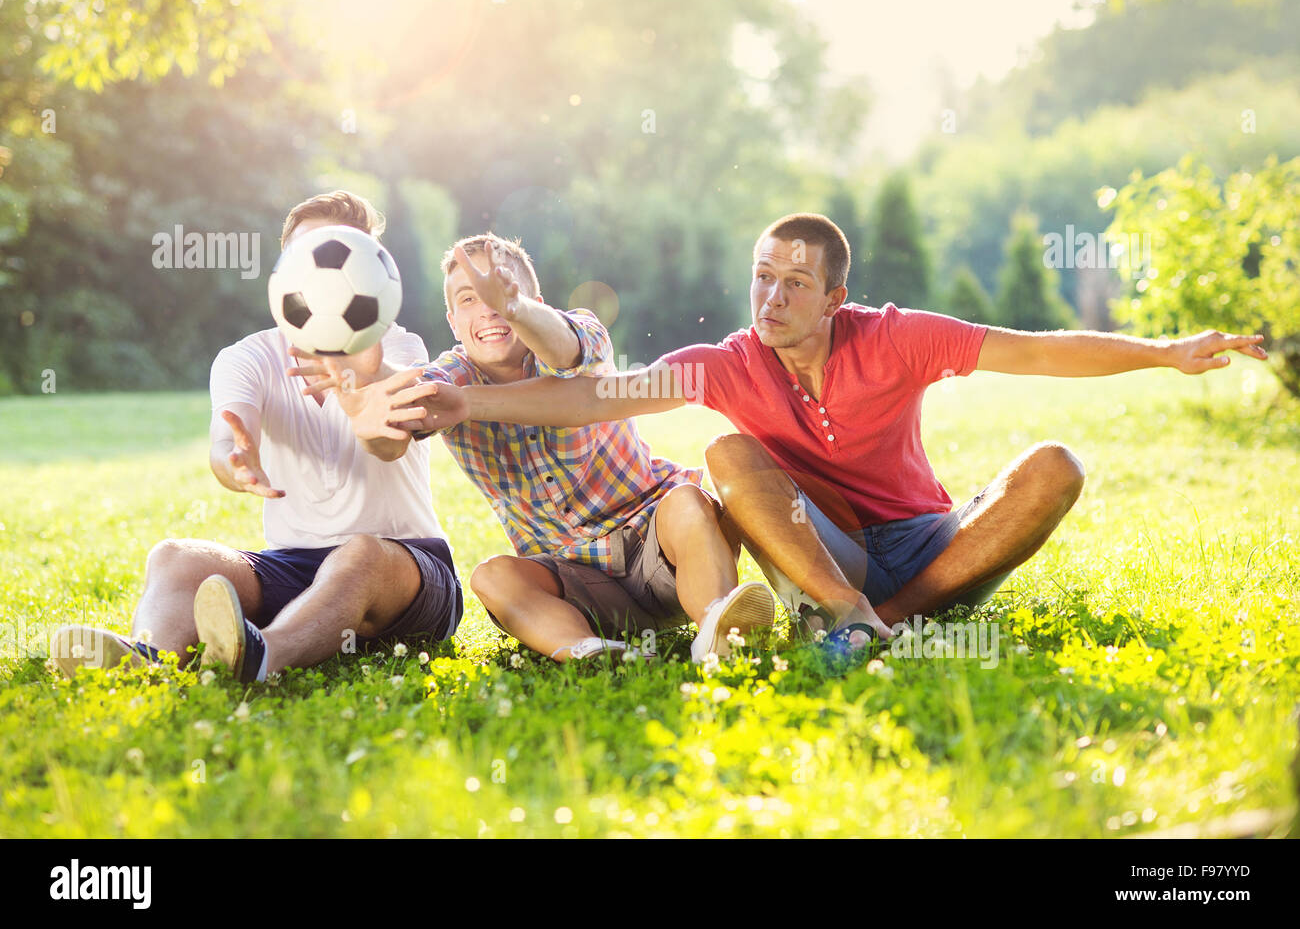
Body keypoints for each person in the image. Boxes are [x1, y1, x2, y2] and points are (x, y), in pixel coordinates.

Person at [398, 213, 1267, 647]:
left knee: (1055, 464)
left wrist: (1163, 351)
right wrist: (466, 403)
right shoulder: (728, 360)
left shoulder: (895, 336)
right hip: (828, 549)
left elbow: (1036, 352)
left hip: (933, 538)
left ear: (834, 298)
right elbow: (591, 397)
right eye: (761, 277)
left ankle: (874, 624)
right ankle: (853, 615)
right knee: (726, 452)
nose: (771, 298)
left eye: (794, 283)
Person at [294, 234, 776, 663]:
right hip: (576, 581)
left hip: (661, 546)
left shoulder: (578, 331)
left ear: (536, 301)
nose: (487, 310)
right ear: (453, 321)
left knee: (688, 503)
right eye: (469, 300)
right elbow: (393, 430)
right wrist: (359, 390)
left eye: (499, 293)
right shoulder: (451, 376)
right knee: (492, 576)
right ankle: (594, 653)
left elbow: (565, 352)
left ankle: (718, 629)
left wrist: (515, 308)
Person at [50, 191, 462, 681]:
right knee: (175, 557)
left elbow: (391, 440)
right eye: (307, 256)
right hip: (292, 569)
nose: (319, 274)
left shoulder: (396, 347)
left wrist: (364, 385)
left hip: (407, 567)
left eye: (337, 255)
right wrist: (236, 461)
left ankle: (264, 655)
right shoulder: (246, 357)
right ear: (283, 271)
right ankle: (151, 660)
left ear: (371, 270)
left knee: (361, 553)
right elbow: (224, 443)